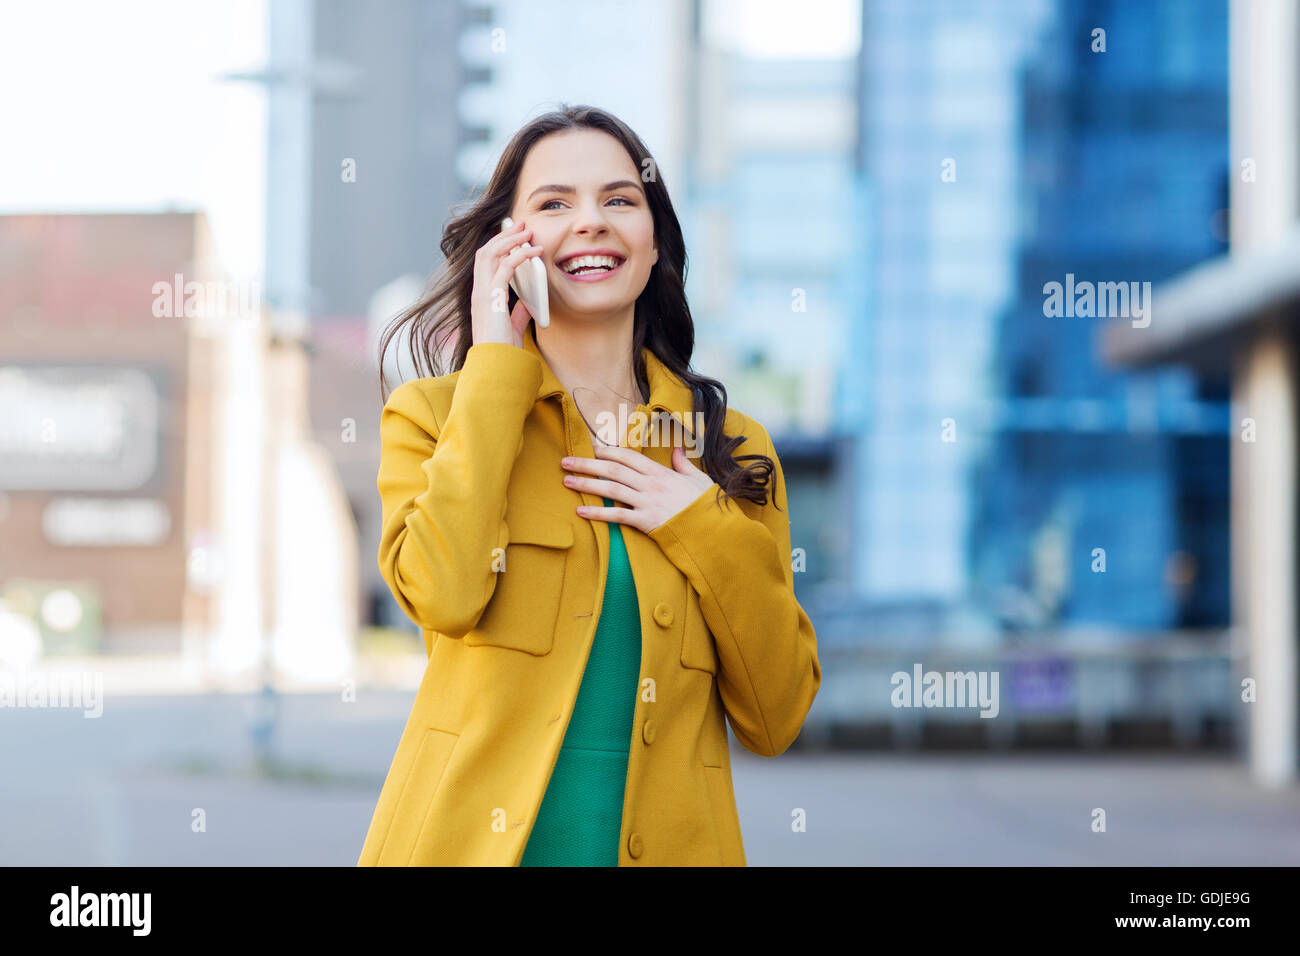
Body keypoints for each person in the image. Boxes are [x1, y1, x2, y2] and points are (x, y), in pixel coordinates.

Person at [360, 104, 820, 866]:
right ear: (510, 245)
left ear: (653, 243)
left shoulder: (731, 450)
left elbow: (776, 716)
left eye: (620, 200)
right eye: (553, 204)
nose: (592, 222)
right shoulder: (435, 418)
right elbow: (442, 594)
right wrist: (497, 372)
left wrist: (699, 523)